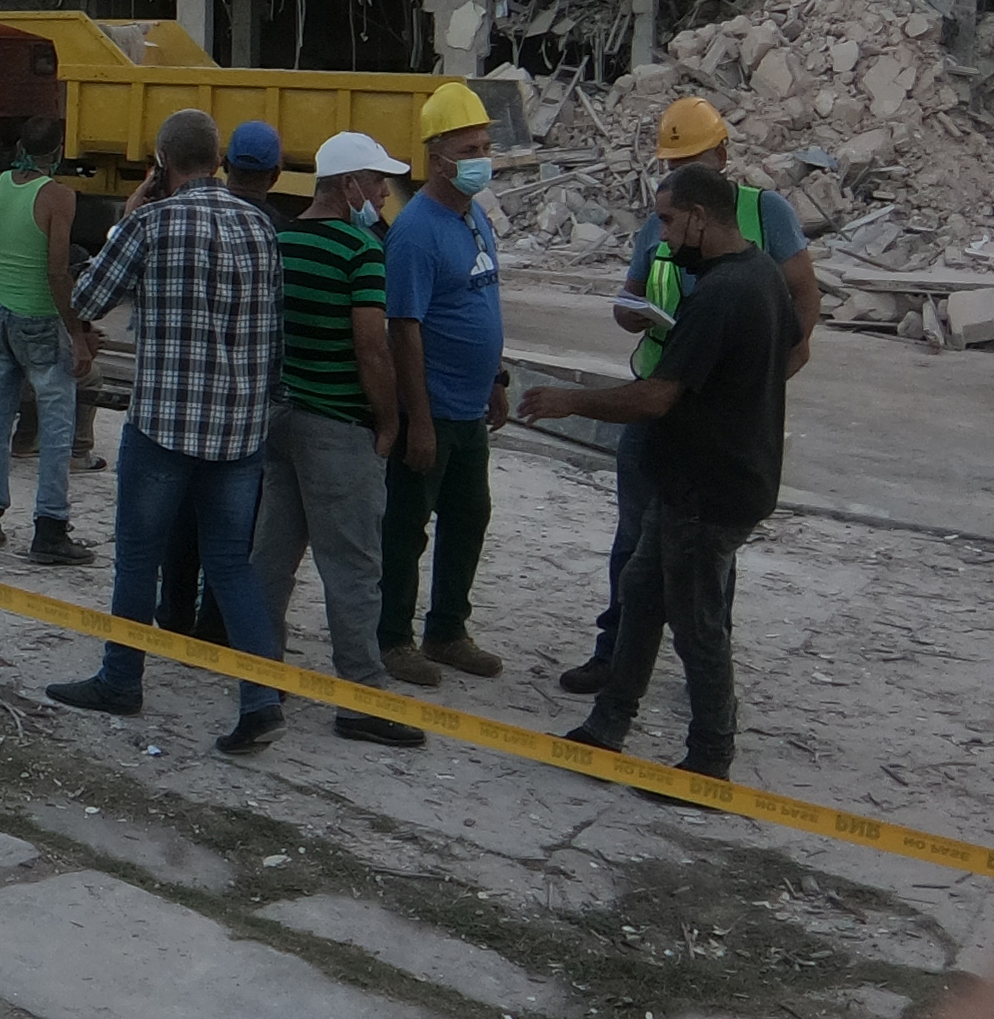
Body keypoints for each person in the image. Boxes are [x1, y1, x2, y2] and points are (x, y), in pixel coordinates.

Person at [521, 166, 792, 785]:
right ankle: (607, 727)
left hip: (708, 489)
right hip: (707, 482)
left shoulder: (724, 294)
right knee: (643, 596)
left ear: (700, 216)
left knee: (698, 627)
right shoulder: (762, 277)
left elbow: (657, 398)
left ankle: (709, 760)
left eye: (668, 220)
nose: (663, 236)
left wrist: (571, 401)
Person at [43, 110, 293, 754]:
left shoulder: (153, 223)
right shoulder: (260, 227)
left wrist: (129, 216)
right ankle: (260, 695)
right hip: (239, 431)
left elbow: (87, 297)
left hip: (163, 426)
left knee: (138, 558)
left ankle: (122, 679)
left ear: (161, 163)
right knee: (231, 565)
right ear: (218, 160)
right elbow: (274, 334)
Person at [561, 95, 817, 696]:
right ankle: (617, 660)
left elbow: (803, 298)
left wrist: (770, 374)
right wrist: (636, 316)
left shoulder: (762, 218)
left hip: (711, 413)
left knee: (702, 551)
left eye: (689, 159)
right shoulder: (664, 216)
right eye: (668, 163)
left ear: (722, 155)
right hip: (658, 392)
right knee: (638, 543)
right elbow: (632, 292)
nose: (672, 178)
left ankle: (704, 675)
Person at [251, 128, 423, 748]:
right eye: (376, 181)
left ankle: (259, 677)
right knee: (352, 566)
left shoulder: (281, 240)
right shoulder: (359, 250)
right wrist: (389, 423)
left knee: (272, 558)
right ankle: (362, 695)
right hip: (337, 426)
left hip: (282, 419)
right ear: (349, 185)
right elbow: (371, 347)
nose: (382, 192)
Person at [374, 81, 510, 691]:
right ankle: (393, 639)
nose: (483, 157)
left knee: (468, 518)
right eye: (470, 147)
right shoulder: (415, 232)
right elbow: (404, 330)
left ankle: (447, 630)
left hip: (470, 411)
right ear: (438, 159)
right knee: (406, 528)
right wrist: (418, 422)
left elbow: (483, 301)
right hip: (432, 411)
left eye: (485, 144)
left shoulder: (474, 216)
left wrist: (496, 379)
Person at [0, 113, 87, 564]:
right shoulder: (59, 197)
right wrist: (77, 332)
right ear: (57, 151)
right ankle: (50, 528)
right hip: (39, 321)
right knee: (56, 427)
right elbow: (57, 272)